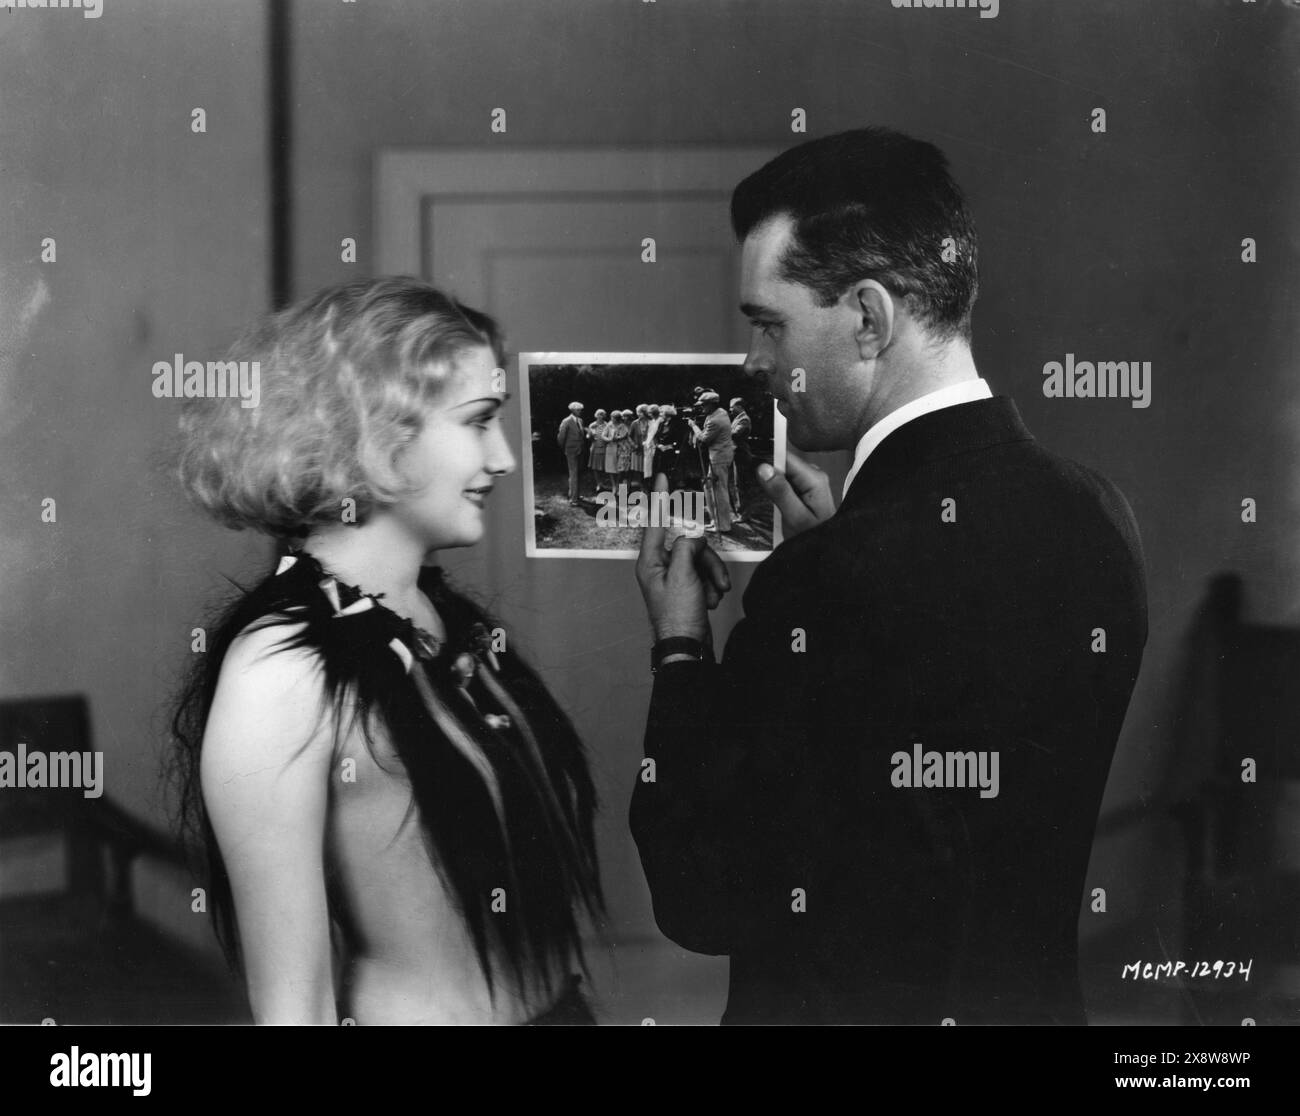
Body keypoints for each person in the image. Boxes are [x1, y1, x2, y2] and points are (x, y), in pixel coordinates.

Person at [631, 127, 1147, 1025]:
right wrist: (838, 550)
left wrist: (679, 647)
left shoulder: (829, 579)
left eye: (768, 323)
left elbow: (701, 895)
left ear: (869, 319)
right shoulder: (1100, 512)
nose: (754, 362)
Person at [170, 277, 603, 1025]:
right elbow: (294, 1008)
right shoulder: (281, 669)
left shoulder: (439, 614)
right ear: (375, 433)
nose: (505, 458)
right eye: (479, 422)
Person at [688, 392, 735, 534]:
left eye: (704, 405)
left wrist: (693, 426)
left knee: (718, 492)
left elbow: (703, 438)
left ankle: (723, 525)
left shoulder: (715, 420)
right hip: (720, 455)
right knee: (710, 488)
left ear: (712, 405)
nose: (702, 408)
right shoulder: (720, 413)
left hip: (719, 457)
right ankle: (716, 521)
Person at [556, 401, 586, 505]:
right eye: (578, 410)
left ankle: (575, 494)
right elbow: (561, 437)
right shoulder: (566, 421)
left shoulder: (580, 421)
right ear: (572, 410)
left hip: (580, 449)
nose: (580, 411)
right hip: (571, 450)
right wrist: (566, 448)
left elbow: (581, 435)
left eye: (580, 410)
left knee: (578, 473)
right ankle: (573, 499)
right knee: (573, 474)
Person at [727, 397, 752, 521]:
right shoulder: (738, 418)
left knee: (741, 484)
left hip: (741, 454)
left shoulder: (744, 419)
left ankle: (744, 514)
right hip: (737, 454)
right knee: (737, 484)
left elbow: (735, 434)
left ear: (740, 407)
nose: (730, 409)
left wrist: (722, 428)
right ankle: (740, 511)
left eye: (732, 407)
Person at [587, 408, 610, 492]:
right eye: (599, 414)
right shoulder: (592, 425)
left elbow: (609, 436)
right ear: (596, 415)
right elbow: (588, 437)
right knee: (595, 467)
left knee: (603, 467)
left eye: (602, 414)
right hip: (595, 448)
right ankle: (598, 484)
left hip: (604, 448)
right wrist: (590, 434)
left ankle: (603, 483)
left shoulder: (607, 425)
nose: (600, 416)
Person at [628, 405, 649, 490]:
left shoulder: (651, 422)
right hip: (637, 450)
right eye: (638, 412)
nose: (638, 414)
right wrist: (634, 445)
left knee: (647, 470)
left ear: (645, 412)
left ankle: (647, 488)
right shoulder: (635, 423)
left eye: (640, 412)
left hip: (648, 450)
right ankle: (642, 488)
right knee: (639, 471)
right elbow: (629, 437)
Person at [642, 404, 662, 482]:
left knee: (654, 466)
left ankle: (654, 483)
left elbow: (655, 433)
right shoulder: (652, 421)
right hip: (649, 445)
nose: (649, 415)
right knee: (648, 467)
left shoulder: (659, 421)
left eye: (650, 413)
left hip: (655, 445)